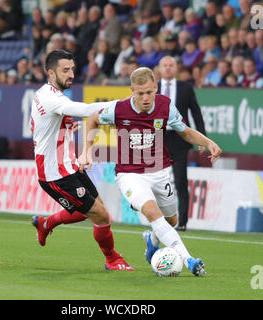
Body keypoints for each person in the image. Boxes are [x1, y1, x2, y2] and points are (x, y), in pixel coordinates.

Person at [80, 66, 222, 276]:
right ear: (132, 91)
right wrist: (86, 151)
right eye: (140, 93)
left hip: (159, 171)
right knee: (153, 213)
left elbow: (186, 132)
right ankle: (189, 260)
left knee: (171, 221)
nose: (145, 98)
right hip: (130, 175)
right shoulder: (118, 109)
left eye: (149, 92)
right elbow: (93, 118)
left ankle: (152, 240)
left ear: (155, 87)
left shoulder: (165, 106)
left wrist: (208, 142)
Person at [30, 49, 133, 271]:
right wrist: (122, 103)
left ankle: (46, 223)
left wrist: (66, 127)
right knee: (100, 213)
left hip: (69, 166)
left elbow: (47, 125)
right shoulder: (50, 98)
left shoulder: (48, 94)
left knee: (96, 208)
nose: (71, 74)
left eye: (72, 69)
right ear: (50, 72)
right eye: (65, 70)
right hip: (54, 174)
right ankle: (112, 259)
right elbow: (86, 110)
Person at [157, 56, 207, 231]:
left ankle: (183, 221)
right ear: (159, 69)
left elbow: (196, 112)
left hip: (180, 139)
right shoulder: (152, 88)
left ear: (177, 68)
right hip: (158, 139)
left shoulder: (185, 88)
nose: (168, 68)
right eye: (165, 65)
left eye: (171, 65)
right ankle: (158, 219)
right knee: (156, 180)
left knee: (180, 180)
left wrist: (201, 137)